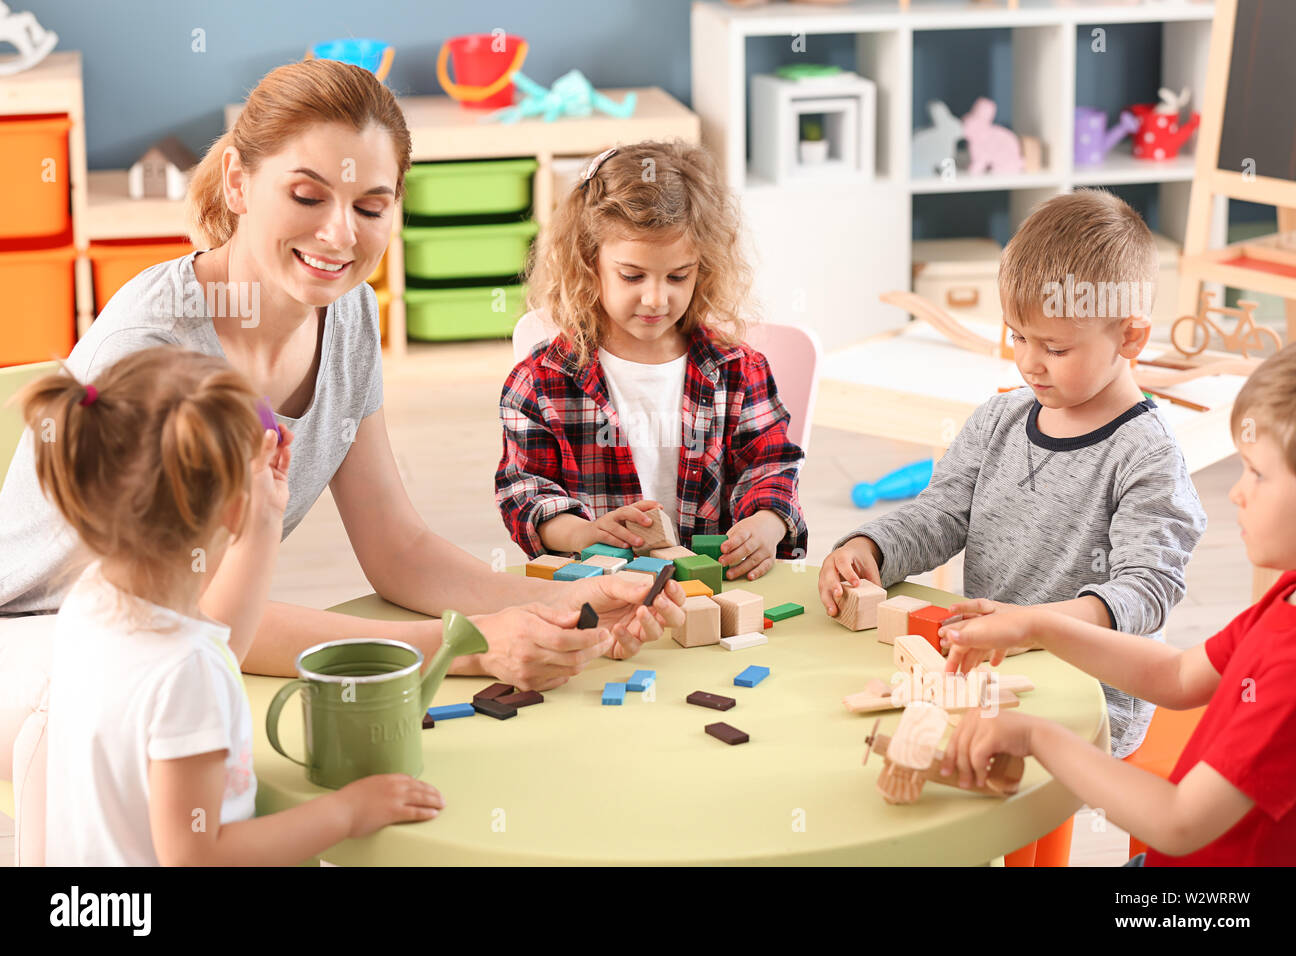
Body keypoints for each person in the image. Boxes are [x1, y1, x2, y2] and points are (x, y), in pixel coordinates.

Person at [0, 58, 684, 800]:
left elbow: (397, 547)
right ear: (237, 183)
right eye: (306, 194)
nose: (337, 233)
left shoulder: (347, 312)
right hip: (49, 635)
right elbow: (200, 621)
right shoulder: (156, 355)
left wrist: (543, 605)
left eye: (369, 205)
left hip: (171, 641)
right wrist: (467, 648)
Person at [818, 190, 1207, 759]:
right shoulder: (999, 419)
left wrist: (1034, 626)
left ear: (1130, 338)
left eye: (1054, 346)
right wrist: (869, 548)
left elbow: (1146, 591)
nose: (1028, 362)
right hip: (989, 673)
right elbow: (939, 515)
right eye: (1018, 336)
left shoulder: (1147, 456)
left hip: (1089, 696)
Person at [24, 348, 443, 865]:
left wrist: (263, 515)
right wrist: (348, 813)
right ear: (230, 507)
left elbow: (218, 643)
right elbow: (195, 857)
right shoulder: (186, 675)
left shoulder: (94, 600)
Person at [940, 342, 1296, 865]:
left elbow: (1177, 822)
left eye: (1258, 474)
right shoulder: (1289, 597)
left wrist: (1036, 736)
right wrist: (1035, 625)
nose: (1236, 493)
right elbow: (1177, 677)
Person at [496, 141, 808, 583]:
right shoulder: (540, 382)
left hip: (713, 594)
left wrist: (767, 524)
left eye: (678, 276)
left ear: (704, 267)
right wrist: (583, 534)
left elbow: (770, 464)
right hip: (598, 593)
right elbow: (523, 491)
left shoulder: (738, 370)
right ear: (590, 262)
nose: (657, 298)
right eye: (632, 275)